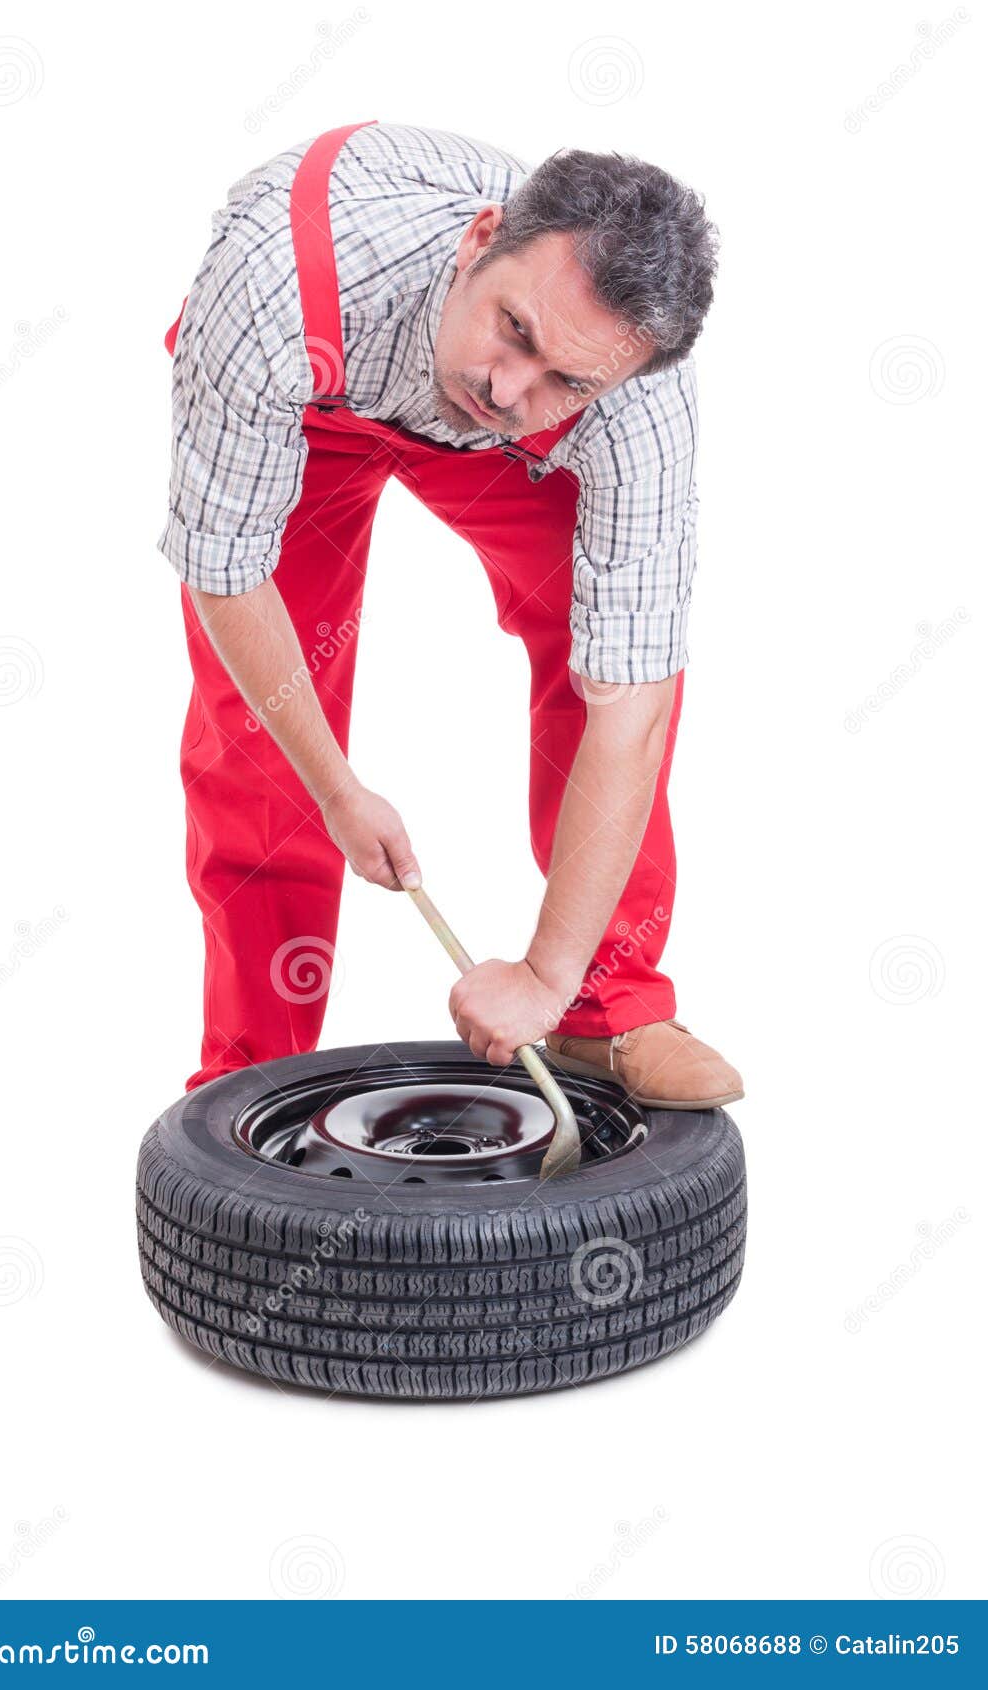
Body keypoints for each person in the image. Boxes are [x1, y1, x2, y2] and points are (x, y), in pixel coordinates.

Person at [159, 120, 743, 1108]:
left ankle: (605, 1008)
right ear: (479, 241)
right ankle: (248, 1075)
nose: (510, 388)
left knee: (597, 651)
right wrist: (339, 791)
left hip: (513, 460)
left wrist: (544, 976)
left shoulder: (634, 402)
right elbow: (228, 573)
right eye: (514, 329)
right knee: (257, 718)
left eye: (567, 378)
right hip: (316, 391)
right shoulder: (270, 280)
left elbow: (629, 705)